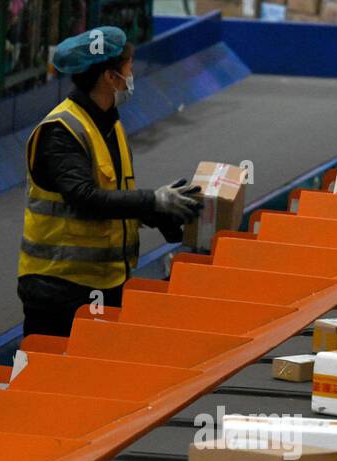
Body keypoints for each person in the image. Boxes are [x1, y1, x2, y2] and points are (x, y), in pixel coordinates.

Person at [17, 26, 204, 337]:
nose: (132, 75)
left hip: (104, 281)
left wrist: (162, 214)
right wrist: (152, 200)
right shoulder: (62, 131)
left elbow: (114, 196)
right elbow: (85, 198)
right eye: (129, 66)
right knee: (50, 376)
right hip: (59, 288)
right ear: (110, 77)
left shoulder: (107, 123)